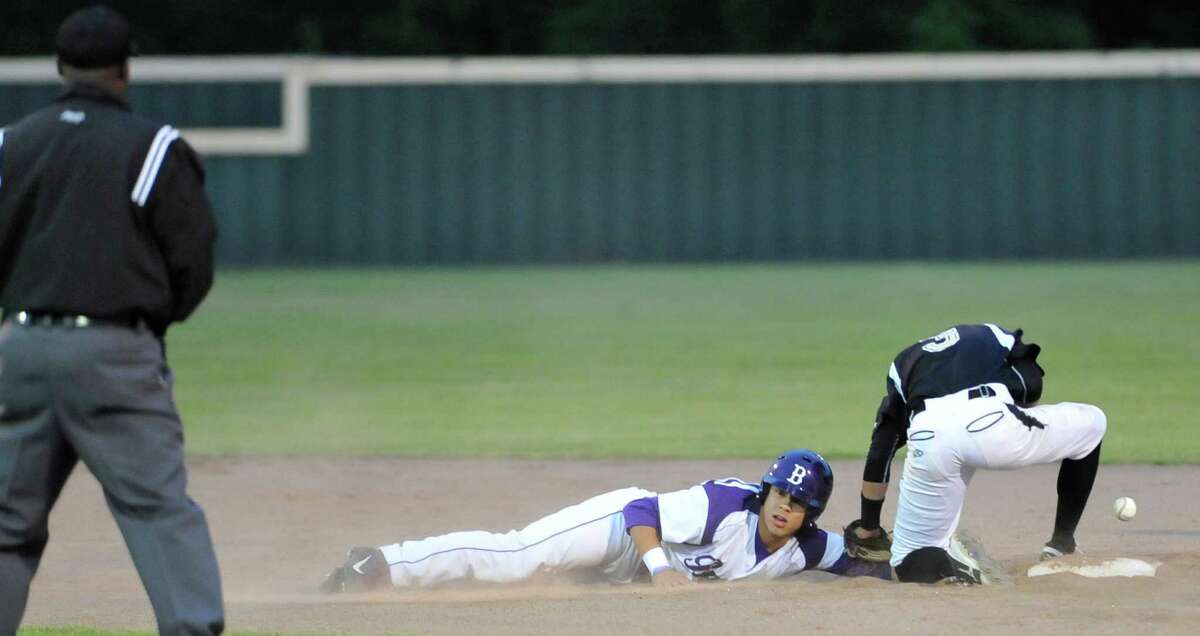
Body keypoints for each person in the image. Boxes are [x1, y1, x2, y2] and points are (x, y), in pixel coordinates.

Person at [0, 6, 224, 633]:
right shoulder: (152, 147)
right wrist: (143, 328)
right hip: (113, 352)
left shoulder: (11, 143)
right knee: (157, 510)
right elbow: (193, 258)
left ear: (59, 67)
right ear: (125, 69)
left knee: (7, 526)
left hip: (19, 347)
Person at [320, 449, 891, 592]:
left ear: (810, 514)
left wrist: (918, 566)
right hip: (621, 527)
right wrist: (660, 568)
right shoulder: (725, 506)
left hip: (631, 570)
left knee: (547, 584)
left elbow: (859, 564)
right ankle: (380, 562)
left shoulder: (807, 548)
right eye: (778, 495)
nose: (783, 506)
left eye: (796, 504)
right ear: (765, 489)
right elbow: (642, 512)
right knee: (520, 555)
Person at [842, 324, 1106, 584]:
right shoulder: (994, 335)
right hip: (992, 424)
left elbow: (880, 452)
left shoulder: (902, 364)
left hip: (929, 434)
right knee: (1093, 423)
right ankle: (1060, 545)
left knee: (909, 558)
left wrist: (869, 525)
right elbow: (1031, 385)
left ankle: (947, 569)